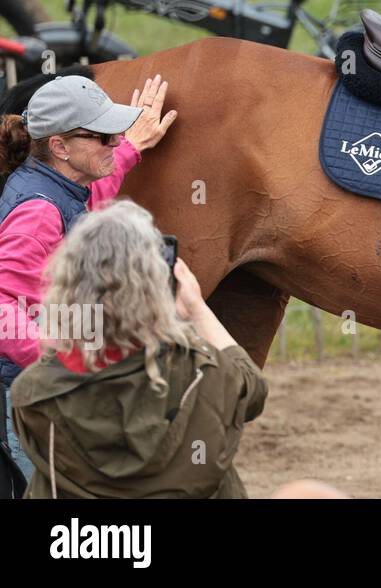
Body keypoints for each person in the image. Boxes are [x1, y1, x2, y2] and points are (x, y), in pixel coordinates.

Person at [12, 201, 267, 498]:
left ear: (69, 285)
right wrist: (197, 309)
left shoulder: (33, 393)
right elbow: (253, 388)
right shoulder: (199, 374)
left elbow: (64, 357)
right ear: (156, 285)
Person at [0, 72, 176, 483]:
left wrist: (133, 146)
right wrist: (57, 361)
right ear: (60, 146)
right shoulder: (38, 211)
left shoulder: (57, 183)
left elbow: (88, 199)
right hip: (28, 395)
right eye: (103, 137)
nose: (114, 141)